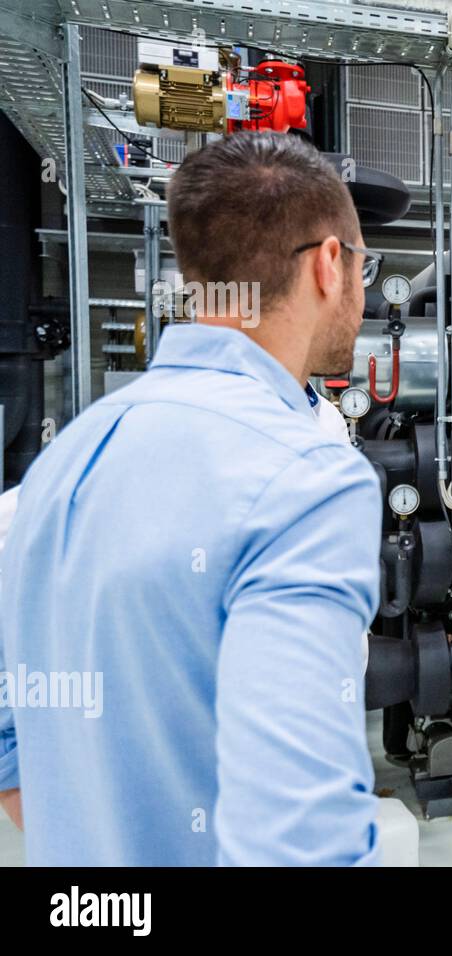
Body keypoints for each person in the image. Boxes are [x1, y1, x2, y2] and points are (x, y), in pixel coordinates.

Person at [0, 132, 384, 865]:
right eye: (364, 262)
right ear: (331, 265)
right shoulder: (307, 476)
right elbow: (299, 835)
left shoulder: (66, 457)